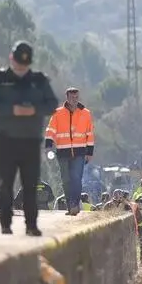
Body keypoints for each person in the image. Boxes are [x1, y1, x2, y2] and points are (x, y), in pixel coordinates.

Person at [0, 40, 58, 237]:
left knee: (30, 184)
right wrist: (11, 110)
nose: (21, 67)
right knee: (5, 183)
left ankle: (31, 224)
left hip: (31, 140)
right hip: (5, 140)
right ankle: (5, 223)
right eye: (18, 63)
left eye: (25, 64)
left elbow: (52, 104)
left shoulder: (39, 80)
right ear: (11, 59)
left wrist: (34, 110)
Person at [44, 87, 95, 215]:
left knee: (76, 178)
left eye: (76, 97)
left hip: (80, 152)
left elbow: (90, 133)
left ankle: (74, 204)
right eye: (72, 97)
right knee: (66, 179)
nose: (75, 100)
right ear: (67, 97)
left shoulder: (85, 113)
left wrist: (90, 152)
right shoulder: (57, 113)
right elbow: (51, 130)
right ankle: (69, 205)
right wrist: (48, 145)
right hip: (62, 152)